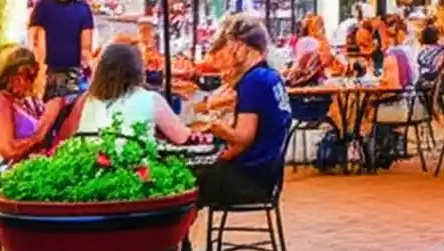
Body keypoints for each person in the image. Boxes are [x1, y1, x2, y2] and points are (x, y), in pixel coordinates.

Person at [195, 14, 293, 206]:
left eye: (229, 45)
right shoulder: (270, 76)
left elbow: (243, 137)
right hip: (266, 175)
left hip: (248, 180)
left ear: (240, 46)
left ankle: (174, 235)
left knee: (183, 179)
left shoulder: (253, 81)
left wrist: (215, 127)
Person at [58, 43, 192, 144]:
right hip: (134, 175)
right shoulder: (151, 99)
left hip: (87, 172)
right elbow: (181, 137)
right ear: (138, 72)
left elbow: (65, 137)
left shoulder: (85, 99)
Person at [0, 45, 65, 167]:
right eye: (23, 76)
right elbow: (8, 150)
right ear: (8, 75)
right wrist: (39, 134)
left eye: (31, 77)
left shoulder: (27, 102)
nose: (25, 82)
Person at [28, 0, 95, 99]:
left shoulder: (82, 8)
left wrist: (90, 67)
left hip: (73, 71)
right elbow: (34, 37)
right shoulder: (43, 5)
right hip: (47, 69)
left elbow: (86, 45)